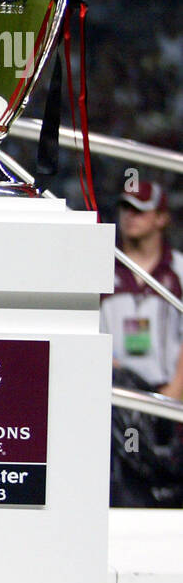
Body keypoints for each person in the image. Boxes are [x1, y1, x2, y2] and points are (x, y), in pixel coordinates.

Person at [102, 180, 183, 506]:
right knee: (124, 494)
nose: (131, 217)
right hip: (116, 396)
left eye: (141, 210)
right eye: (125, 208)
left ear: (161, 218)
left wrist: (175, 389)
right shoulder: (101, 267)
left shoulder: (178, 269)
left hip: (168, 394)